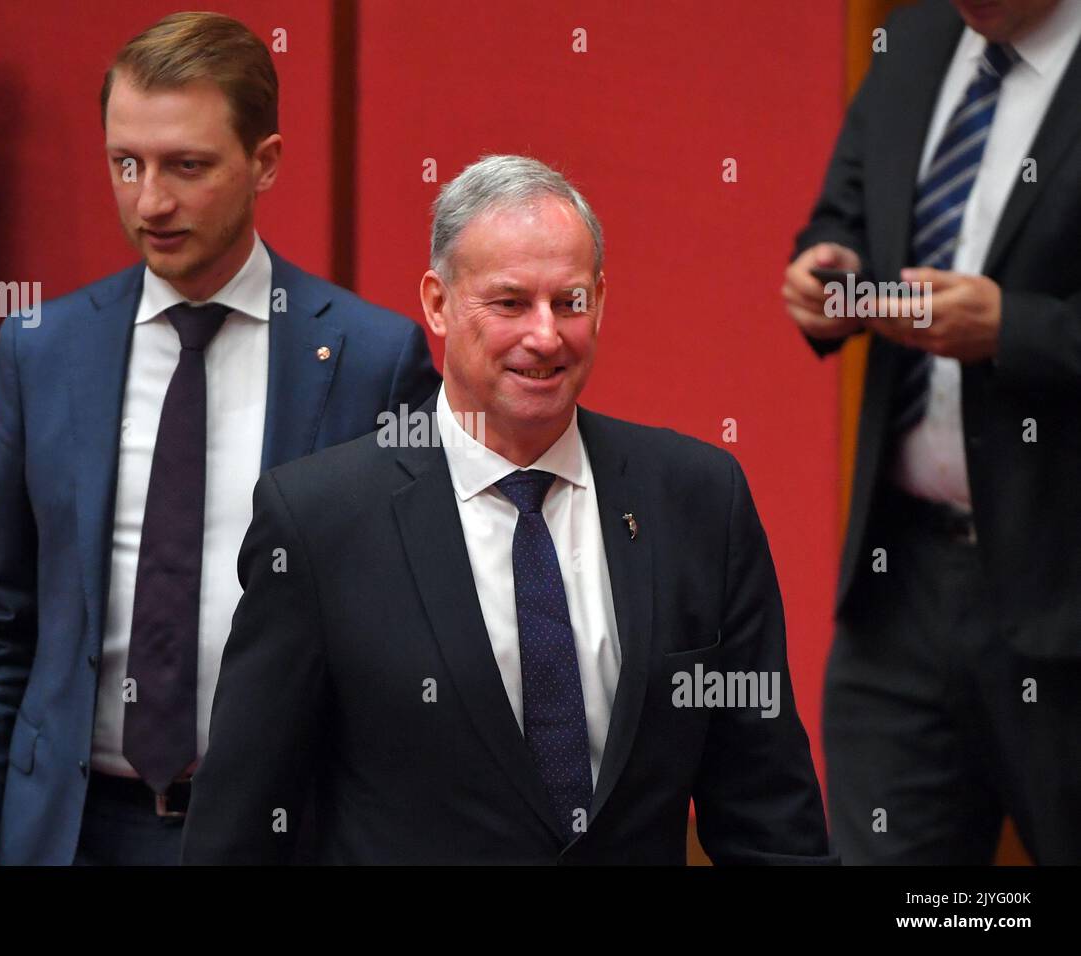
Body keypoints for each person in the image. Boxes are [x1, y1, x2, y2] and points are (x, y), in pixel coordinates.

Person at [181, 155, 834, 865]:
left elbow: (768, 811)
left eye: (571, 302)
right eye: (511, 303)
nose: (547, 336)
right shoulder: (318, 522)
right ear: (437, 303)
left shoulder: (698, 499)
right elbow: (240, 829)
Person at [0, 12, 439, 866]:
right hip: (64, 831)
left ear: (265, 163)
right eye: (125, 163)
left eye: (187, 166)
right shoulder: (43, 349)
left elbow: (416, 644)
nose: (150, 201)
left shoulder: (370, 361)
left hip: (273, 836)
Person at [784, 0, 1081, 863]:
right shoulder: (913, 40)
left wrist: (1012, 330)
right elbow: (844, 215)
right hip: (899, 587)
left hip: (1062, 593)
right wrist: (827, 273)